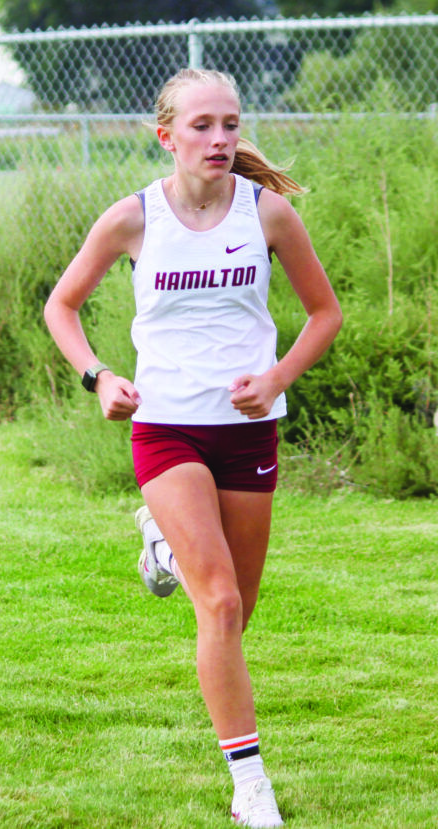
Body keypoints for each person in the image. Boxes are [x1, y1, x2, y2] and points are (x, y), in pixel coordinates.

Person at [44, 68, 342, 827]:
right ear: (166, 136)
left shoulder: (267, 214)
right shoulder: (133, 218)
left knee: (235, 615)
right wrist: (99, 376)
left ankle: (164, 551)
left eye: (230, 124)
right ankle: (251, 786)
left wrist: (275, 378)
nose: (219, 139)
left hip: (247, 434)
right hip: (167, 427)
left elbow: (325, 314)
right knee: (220, 600)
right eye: (202, 125)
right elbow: (62, 306)